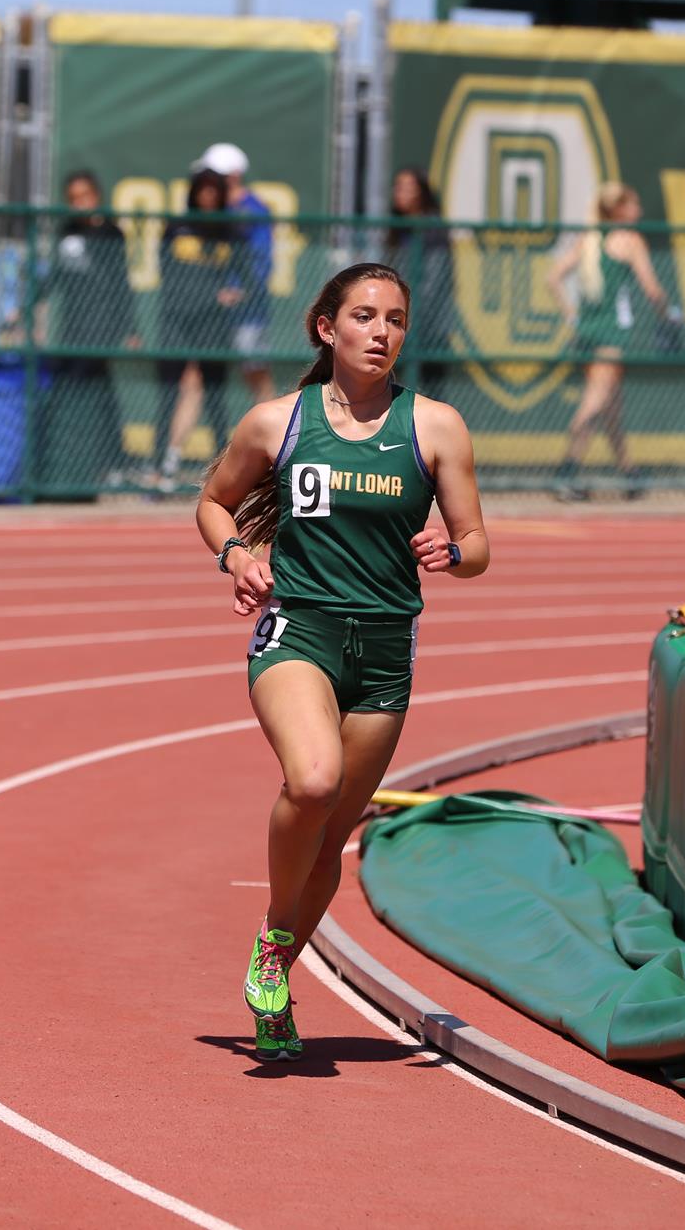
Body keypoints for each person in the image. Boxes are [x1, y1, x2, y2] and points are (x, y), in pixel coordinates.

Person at [197, 261, 490, 1062]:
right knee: (313, 780)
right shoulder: (276, 422)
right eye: (364, 316)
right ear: (327, 329)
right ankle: (271, 941)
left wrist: (451, 547)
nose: (381, 332)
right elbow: (214, 499)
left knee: (331, 841)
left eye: (395, 319)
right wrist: (236, 555)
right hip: (299, 633)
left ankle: (275, 971)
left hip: (387, 651)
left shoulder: (436, 427)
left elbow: (478, 545)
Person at [547, 182, 678, 501]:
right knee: (594, 404)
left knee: (611, 408)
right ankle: (566, 471)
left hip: (589, 332)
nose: (639, 212)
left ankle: (629, 473)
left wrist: (573, 317)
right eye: (633, 205)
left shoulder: (590, 239)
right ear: (618, 209)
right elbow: (652, 289)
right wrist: (668, 314)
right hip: (611, 335)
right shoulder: (630, 240)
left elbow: (553, 278)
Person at [36, 169, 135, 497]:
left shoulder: (111, 234)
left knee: (100, 393)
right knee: (71, 391)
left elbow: (122, 284)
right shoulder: (67, 232)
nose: (81, 203)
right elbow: (54, 277)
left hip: (101, 327)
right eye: (74, 199)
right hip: (72, 329)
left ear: (96, 196)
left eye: (85, 196)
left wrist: (128, 328)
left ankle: (112, 462)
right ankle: (72, 461)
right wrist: (25, 308)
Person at [151, 167, 241, 489]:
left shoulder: (230, 230)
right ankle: (161, 466)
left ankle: (222, 469)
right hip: (176, 320)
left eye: (213, 190)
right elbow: (166, 272)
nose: (207, 196)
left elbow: (245, 272)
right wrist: (200, 294)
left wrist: (233, 291)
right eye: (202, 190)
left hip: (213, 324)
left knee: (216, 395)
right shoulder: (176, 226)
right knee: (169, 391)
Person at [194, 142, 274, 405]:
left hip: (247, 312)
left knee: (254, 372)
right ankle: (175, 448)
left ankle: (281, 440)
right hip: (211, 309)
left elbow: (261, 260)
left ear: (232, 176)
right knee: (196, 376)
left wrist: (241, 290)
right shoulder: (212, 210)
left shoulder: (254, 210)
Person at [384, 166, 458, 405]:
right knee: (392, 389)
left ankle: (431, 441)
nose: (401, 193)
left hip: (430, 327)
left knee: (431, 394)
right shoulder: (396, 229)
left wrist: (409, 319)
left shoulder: (434, 229)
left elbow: (435, 284)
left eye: (408, 188)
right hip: (400, 322)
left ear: (422, 193)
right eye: (398, 187)